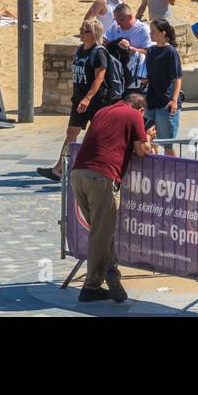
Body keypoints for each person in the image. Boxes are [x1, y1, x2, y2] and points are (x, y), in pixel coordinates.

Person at [68, 89, 154, 302]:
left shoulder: (103, 111)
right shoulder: (134, 116)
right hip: (102, 177)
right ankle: (91, 286)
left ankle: (111, 271)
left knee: (101, 233)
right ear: (140, 109)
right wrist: (148, 135)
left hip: (78, 175)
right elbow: (143, 151)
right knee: (101, 234)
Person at [37, 18, 117, 182]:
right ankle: (59, 168)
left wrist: (88, 98)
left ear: (94, 33)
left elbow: (100, 78)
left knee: (95, 135)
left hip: (96, 100)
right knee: (71, 132)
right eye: (81, 29)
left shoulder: (99, 51)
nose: (82, 33)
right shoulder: (80, 49)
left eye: (85, 30)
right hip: (79, 99)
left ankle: (95, 167)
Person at [145, 19, 182, 153]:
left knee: (167, 144)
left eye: (153, 31)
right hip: (150, 101)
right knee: (147, 138)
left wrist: (174, 100)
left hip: (166, 102)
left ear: (163, 33)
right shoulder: (150, 51)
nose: (151, 34)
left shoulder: (171, 52)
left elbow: (177, 78)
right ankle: (154, 167)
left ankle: (172, 172)